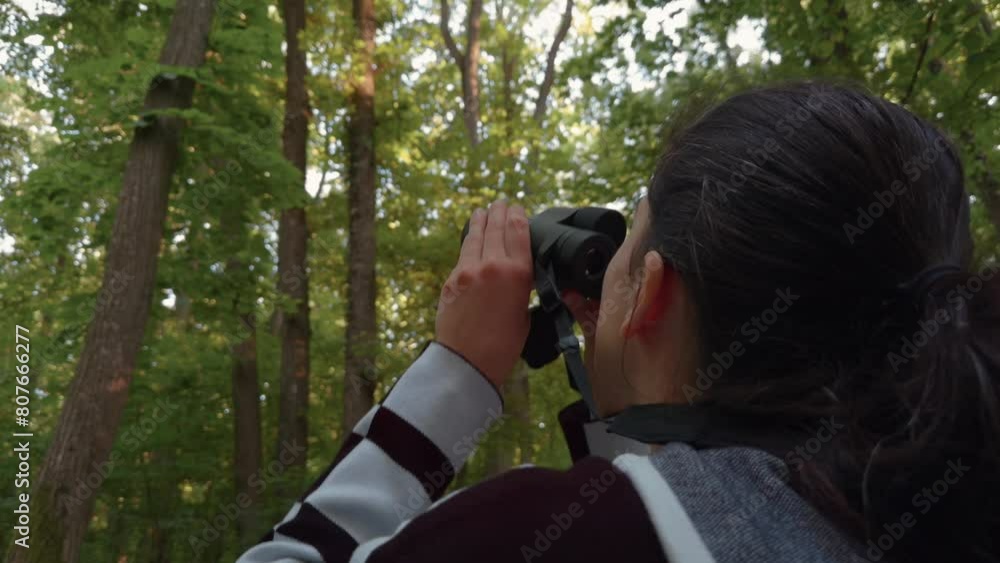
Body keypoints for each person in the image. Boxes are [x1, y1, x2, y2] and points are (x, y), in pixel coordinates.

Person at [236, 82, 1000, 563]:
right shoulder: (938, 511)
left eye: (629, 251)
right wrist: (624, 371)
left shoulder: (544, 530)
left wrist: (453, 375)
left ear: (656, 292)